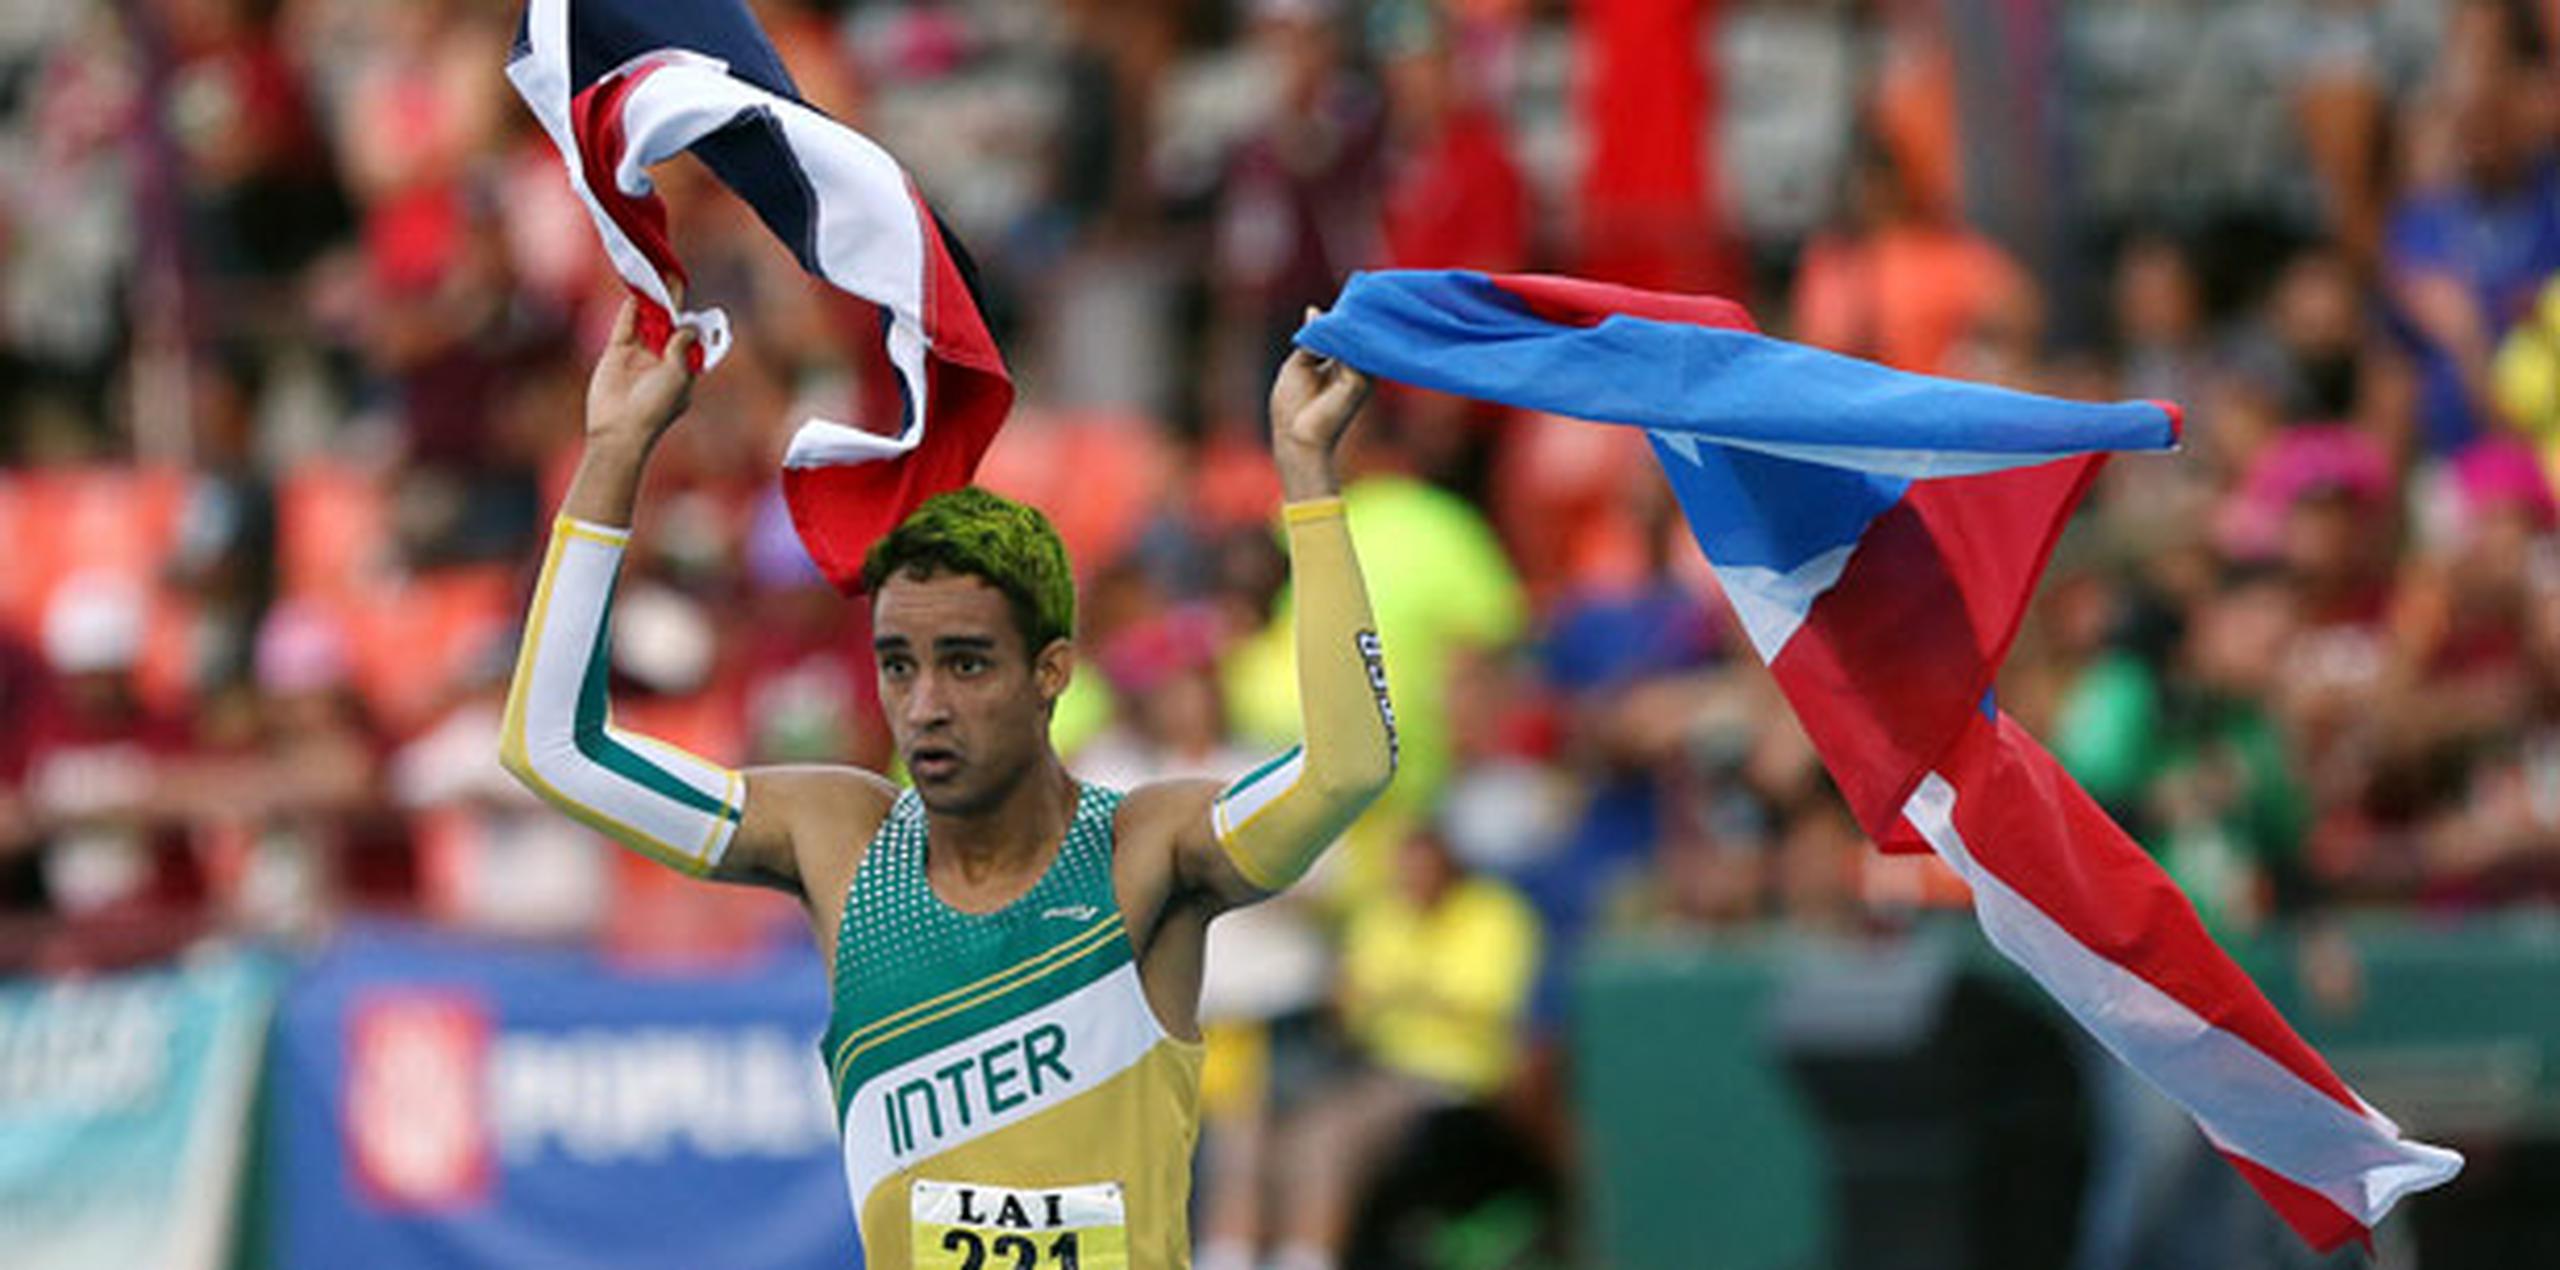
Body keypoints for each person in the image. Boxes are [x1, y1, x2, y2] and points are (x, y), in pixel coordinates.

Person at [499, 299, 1397, 1268]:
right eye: (897, 664)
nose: (924, 704)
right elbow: (557, 750)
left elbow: (1346, 766)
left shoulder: (1146, 850)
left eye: (966, 663)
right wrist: (614, 449)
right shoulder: (836, 836)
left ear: (1051, 671)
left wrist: (1305, 472)